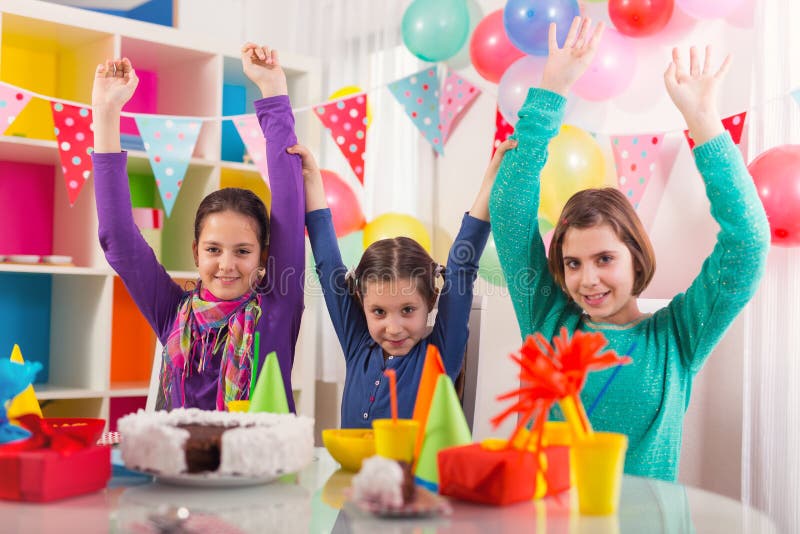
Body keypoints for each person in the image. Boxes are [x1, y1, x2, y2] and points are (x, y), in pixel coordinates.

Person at [489, 17, 770, 481]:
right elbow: (509, 213)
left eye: (605, 259)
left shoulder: (676, 338)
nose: (587, 279)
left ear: (636, 257)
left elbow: (749, 243)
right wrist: (550, 92)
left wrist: (703, 124)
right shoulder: (547, 320)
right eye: (572, 263)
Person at [91, 43, 305, 412]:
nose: (226, 264)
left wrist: (273, 90)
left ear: (264, 256)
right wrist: (106, 113)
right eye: (213, 249)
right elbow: (119, 240)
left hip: (257, 467)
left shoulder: (278, 307)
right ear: (196, 253)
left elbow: (288, 200)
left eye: (242, 251)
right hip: (178, 465)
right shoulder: (173, 310)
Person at [289, 139, 515, 428]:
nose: (393, 328)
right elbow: (328, 267)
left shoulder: (440, 357)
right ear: (362, 303)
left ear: (431, 301)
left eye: (407, 310)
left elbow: (461, 268)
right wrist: (312, 180)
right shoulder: (359, 344)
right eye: (379, 312)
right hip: (353, 474)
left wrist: (491, 180)